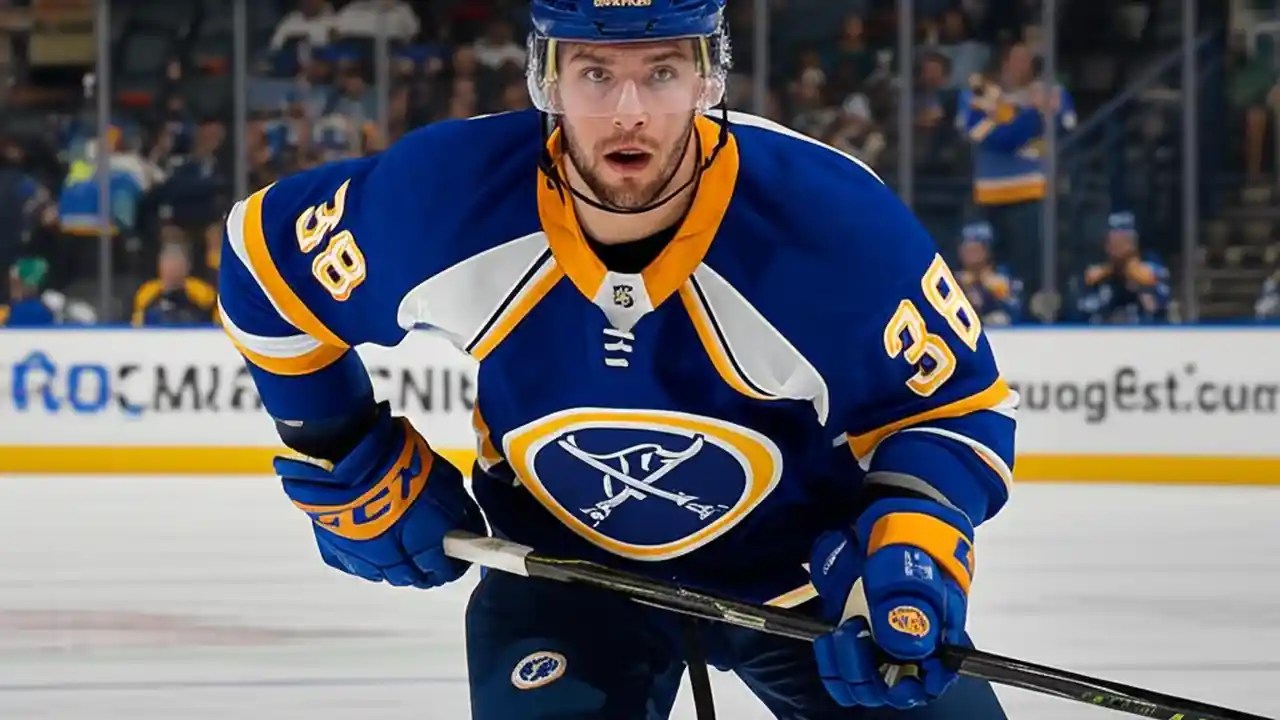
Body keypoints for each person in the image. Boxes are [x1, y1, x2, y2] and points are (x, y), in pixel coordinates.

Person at [217, 2, 1017, 718]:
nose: (628, 112)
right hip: (564, 577)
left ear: (708, 76)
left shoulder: (834, 223)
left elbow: (953, 411)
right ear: (548, 77)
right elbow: (263, 265)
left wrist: (912, 547)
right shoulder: (444, 199)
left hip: (811, 584)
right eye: (596, 72)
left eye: (661, 71)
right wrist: (342, 446)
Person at [1076, 211, 1170, 324]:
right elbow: (1082, 310)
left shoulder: (1152, 266)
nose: (1117, 246)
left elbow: (1155, 307)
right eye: (1112, 240)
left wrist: (1140, 282)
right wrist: (1110, 271)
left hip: (1145, 335)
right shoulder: (1095, 269)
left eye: (1124, 239)